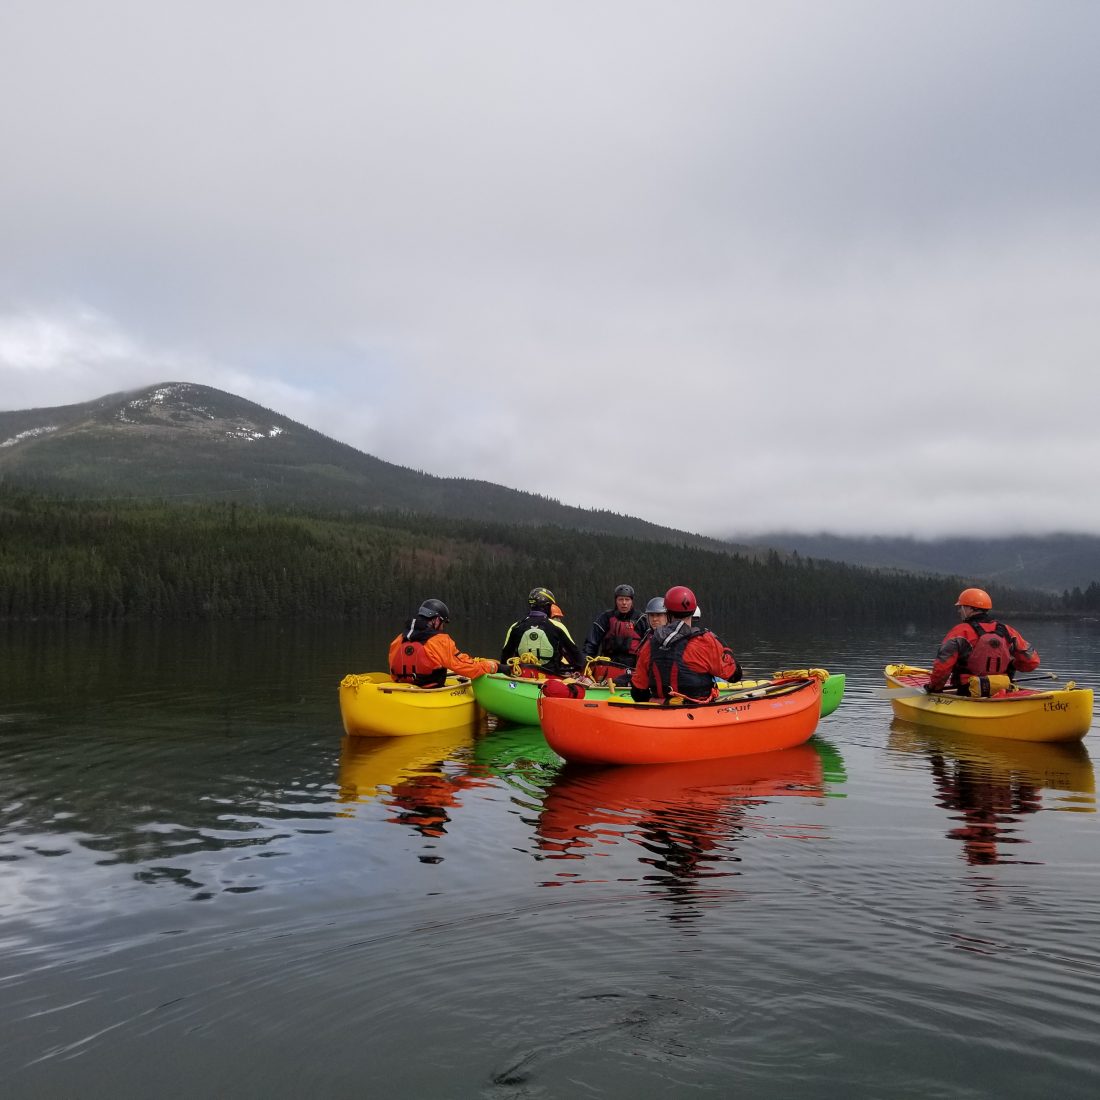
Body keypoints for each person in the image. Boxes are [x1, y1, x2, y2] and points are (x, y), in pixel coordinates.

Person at [631, 585, 741, 703]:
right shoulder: (706, 642)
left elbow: (638, 692)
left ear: (667, 612)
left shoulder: (650, 644)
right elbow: (735, 675)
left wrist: (661, 702)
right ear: (693, 611)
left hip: (661, 713)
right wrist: (724, 647)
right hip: (700, 712)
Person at [926, 587, 1040, 694]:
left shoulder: (960, 632)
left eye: (961, 607)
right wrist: (1013, 664)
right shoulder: (1008, 631)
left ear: (970, 608)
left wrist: (934, 688)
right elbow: (1032, 662)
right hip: (1001, 689)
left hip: (967, 692)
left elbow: (942, 666)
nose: (959, 611)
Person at [389, 598, 498, 686]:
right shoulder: (440, 640)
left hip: (402, 688)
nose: (442, 627)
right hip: (430, 690)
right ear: (436, 620)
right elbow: (467, 667)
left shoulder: (399, 639)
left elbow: (393, 670)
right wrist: (494, 667)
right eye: (443, 622)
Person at [500, 587, 583, 675]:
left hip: (522, 675)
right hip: (551, 677)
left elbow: (505, 659)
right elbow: (578, 661)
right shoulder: (558, 626)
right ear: (548, 606)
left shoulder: (515, 626)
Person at [583, 583, 649, 680]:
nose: (624, 603)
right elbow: (591, 643)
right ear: (616, 601)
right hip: (609, 664)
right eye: (620, 599)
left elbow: (650, 646)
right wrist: (585, 662)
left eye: (627, 600)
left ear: (632, 601)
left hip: (633, 667)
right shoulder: (606, 618)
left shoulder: (642, 619)